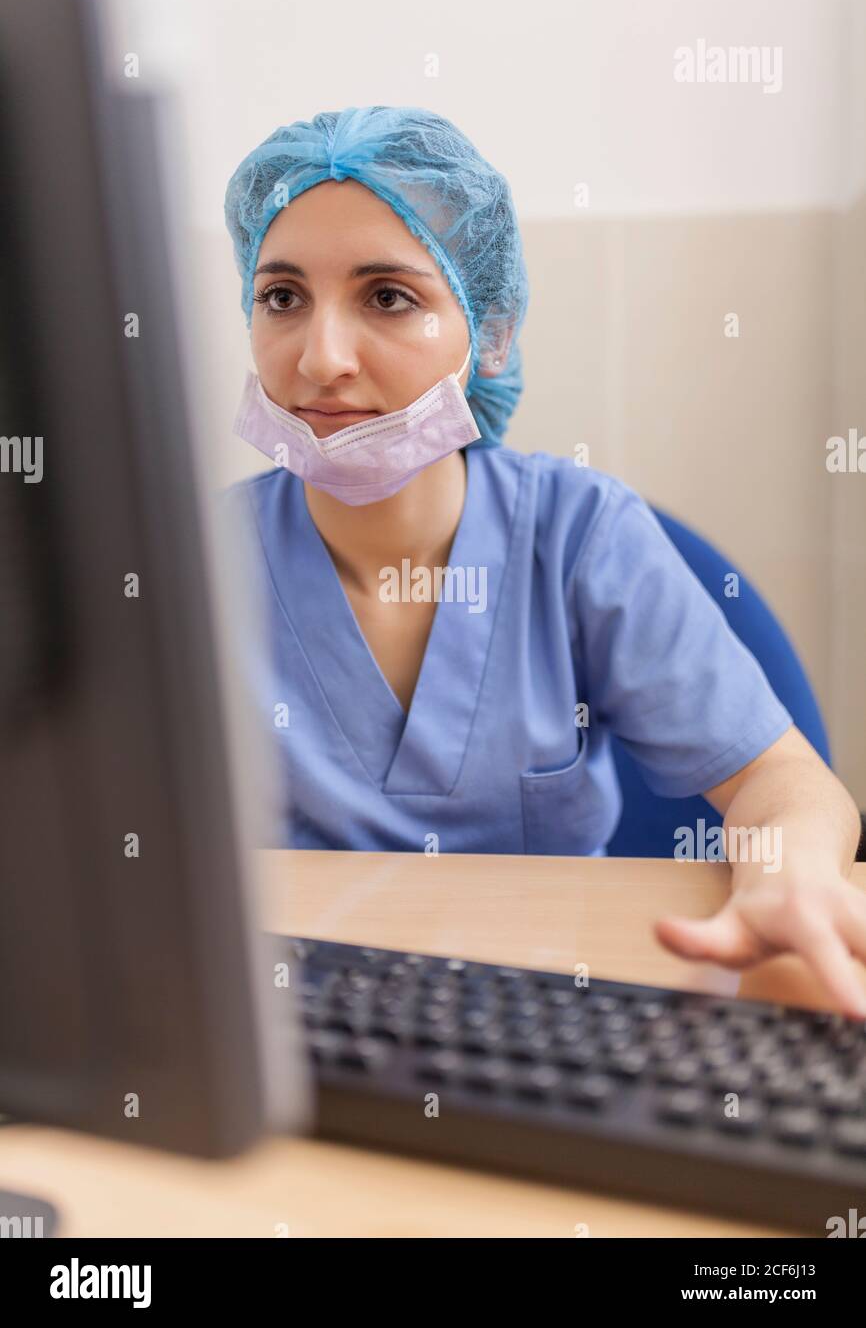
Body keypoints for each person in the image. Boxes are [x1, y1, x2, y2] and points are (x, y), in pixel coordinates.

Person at [223, 106, 866, 1014]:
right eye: (282, 297)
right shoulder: (191, 568)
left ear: (490, 334)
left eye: (389, 297)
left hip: (556, 1010)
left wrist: (787, 876)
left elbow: (781, 780)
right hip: (282, 1022)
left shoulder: (579, 537)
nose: (322, 358)